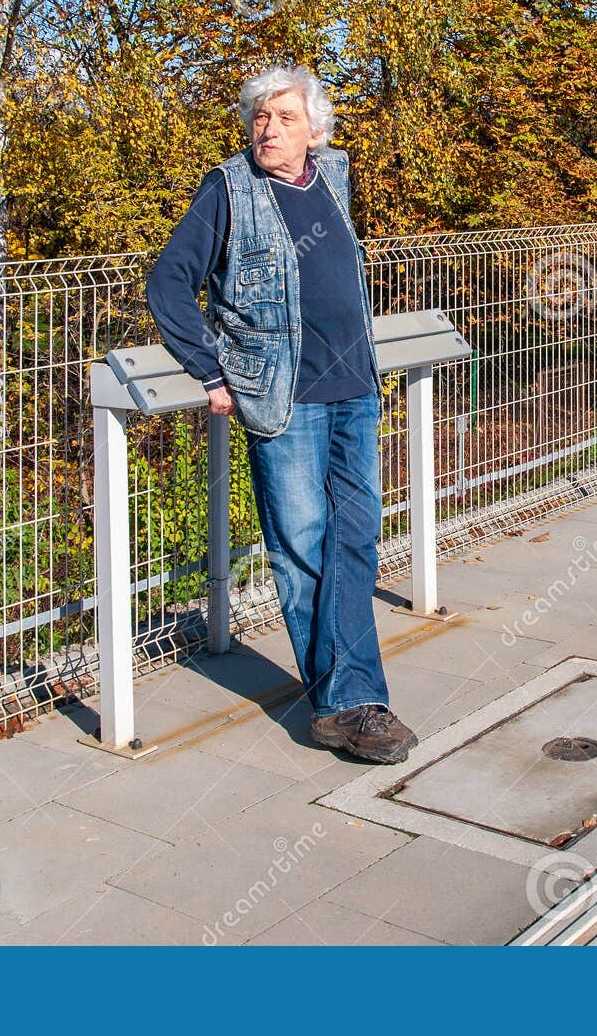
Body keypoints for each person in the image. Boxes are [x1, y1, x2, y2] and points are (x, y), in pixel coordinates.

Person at [144, 63, 418, 765]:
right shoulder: (229, 189)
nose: (267, 129)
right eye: (260, 117)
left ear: (315, 130)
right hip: (284, 397)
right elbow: (170, 282)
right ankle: (350, 703)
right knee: (303, 546)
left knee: (354, 541)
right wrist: (209, 369)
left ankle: (346, 699)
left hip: (356, 389)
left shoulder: (332, 176)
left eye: (284, 117)